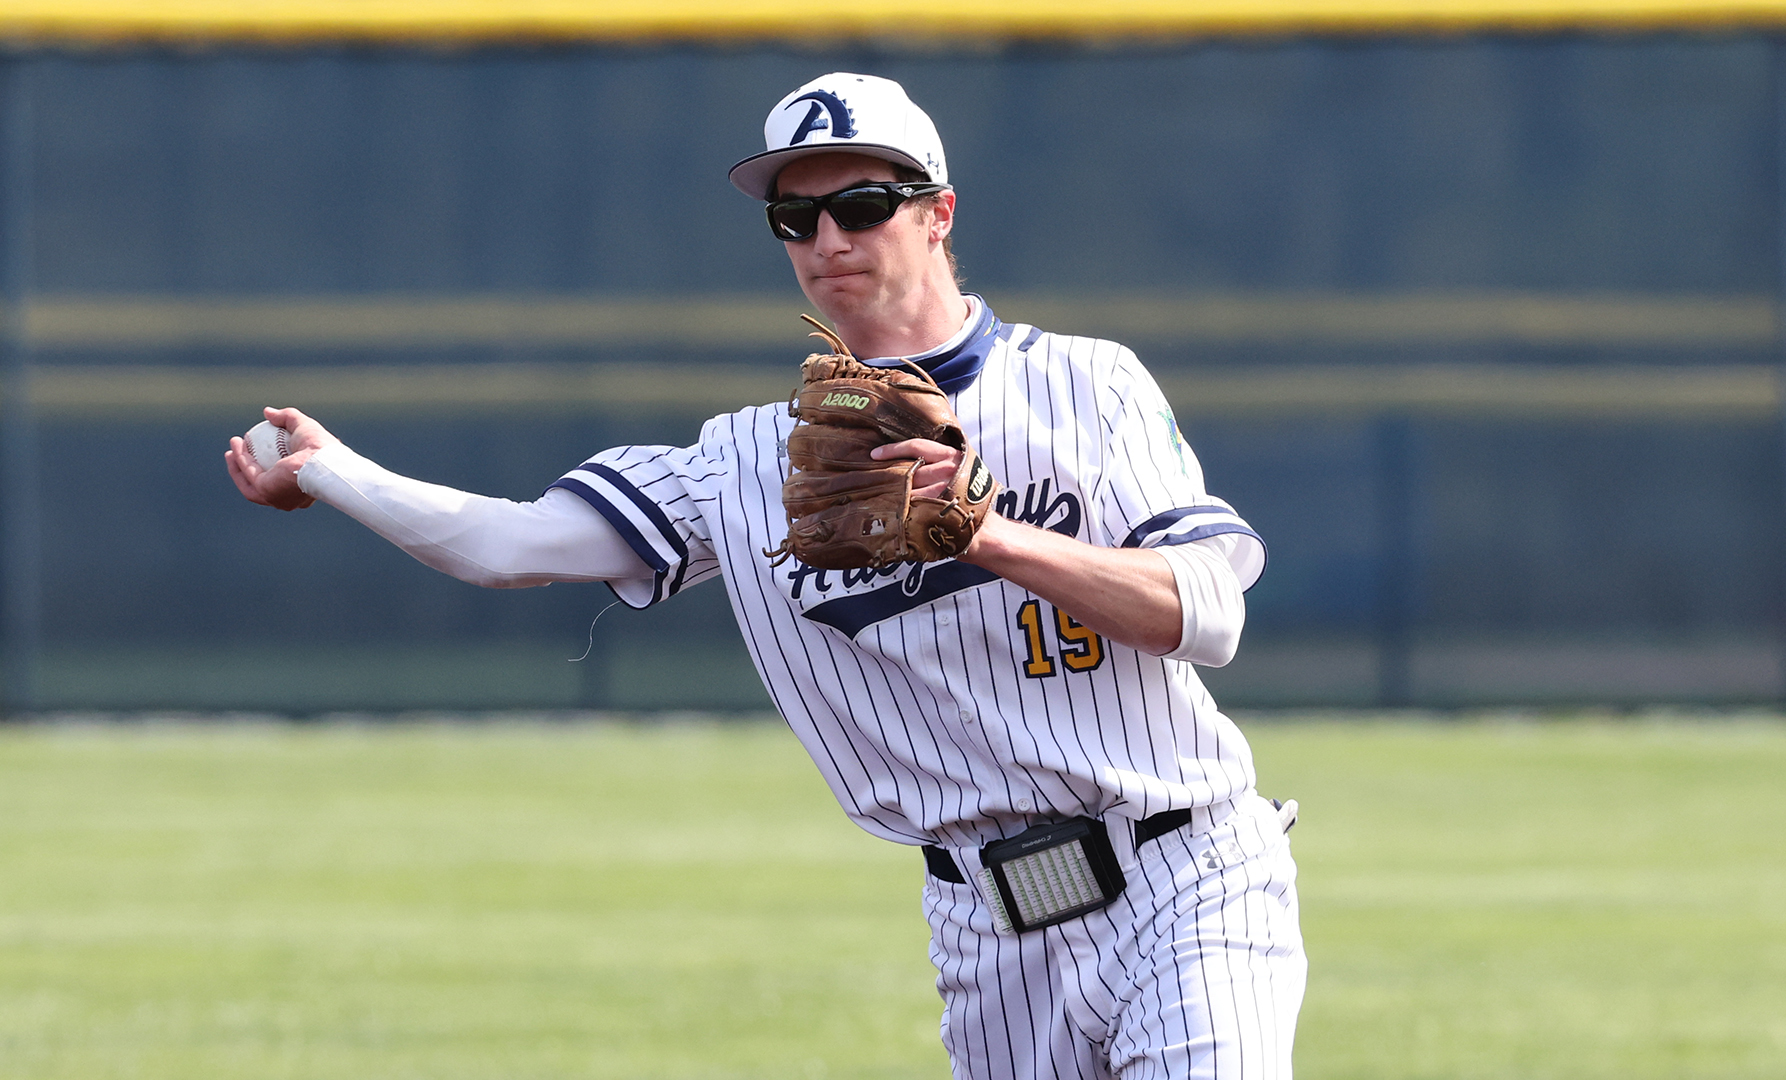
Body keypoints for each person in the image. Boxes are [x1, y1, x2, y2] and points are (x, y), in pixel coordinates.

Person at [227, 71, 1306, 1079]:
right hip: (989, 927)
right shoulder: (745, 464)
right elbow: (507, 546)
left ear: (938, 213)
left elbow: (1210, 617)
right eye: (797, 217)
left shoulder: (1086, 384)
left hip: (1185, 878)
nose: (830, 239)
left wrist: (989, 538)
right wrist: (332, 470)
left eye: (864, 205)